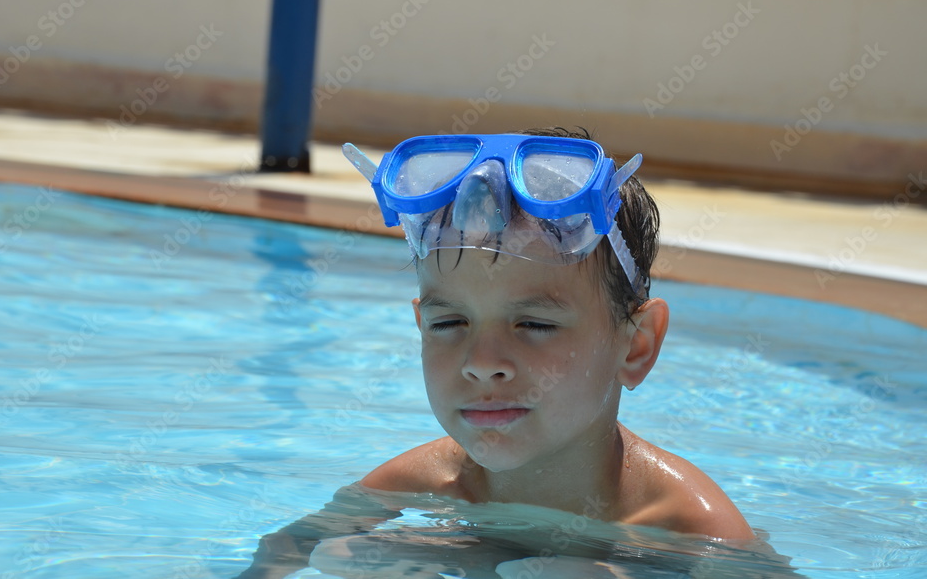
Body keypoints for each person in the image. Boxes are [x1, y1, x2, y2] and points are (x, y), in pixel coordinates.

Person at [236, 128, 756, 578]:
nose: (483, 361)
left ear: (636, 346)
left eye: (534, 323)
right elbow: (282, 553)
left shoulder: (689, 525)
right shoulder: (420, 484)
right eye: (450, 322)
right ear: (420, 327)